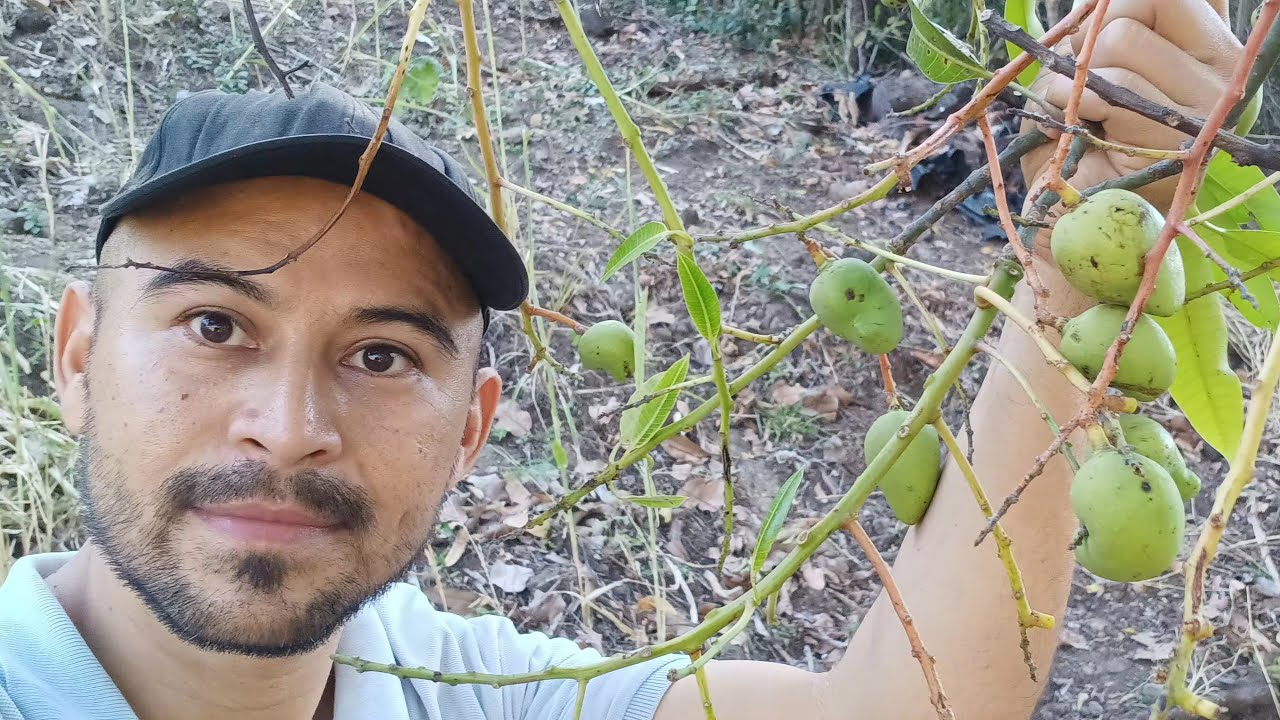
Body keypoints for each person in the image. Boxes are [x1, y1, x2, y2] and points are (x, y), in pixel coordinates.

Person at [0, 1, 1244, 718]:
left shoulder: (446, 685)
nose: (286, 426)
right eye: (215, 326)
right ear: (77, 356)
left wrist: (1073, 255)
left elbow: (908, 705)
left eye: (380, 354)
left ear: (472, 426)